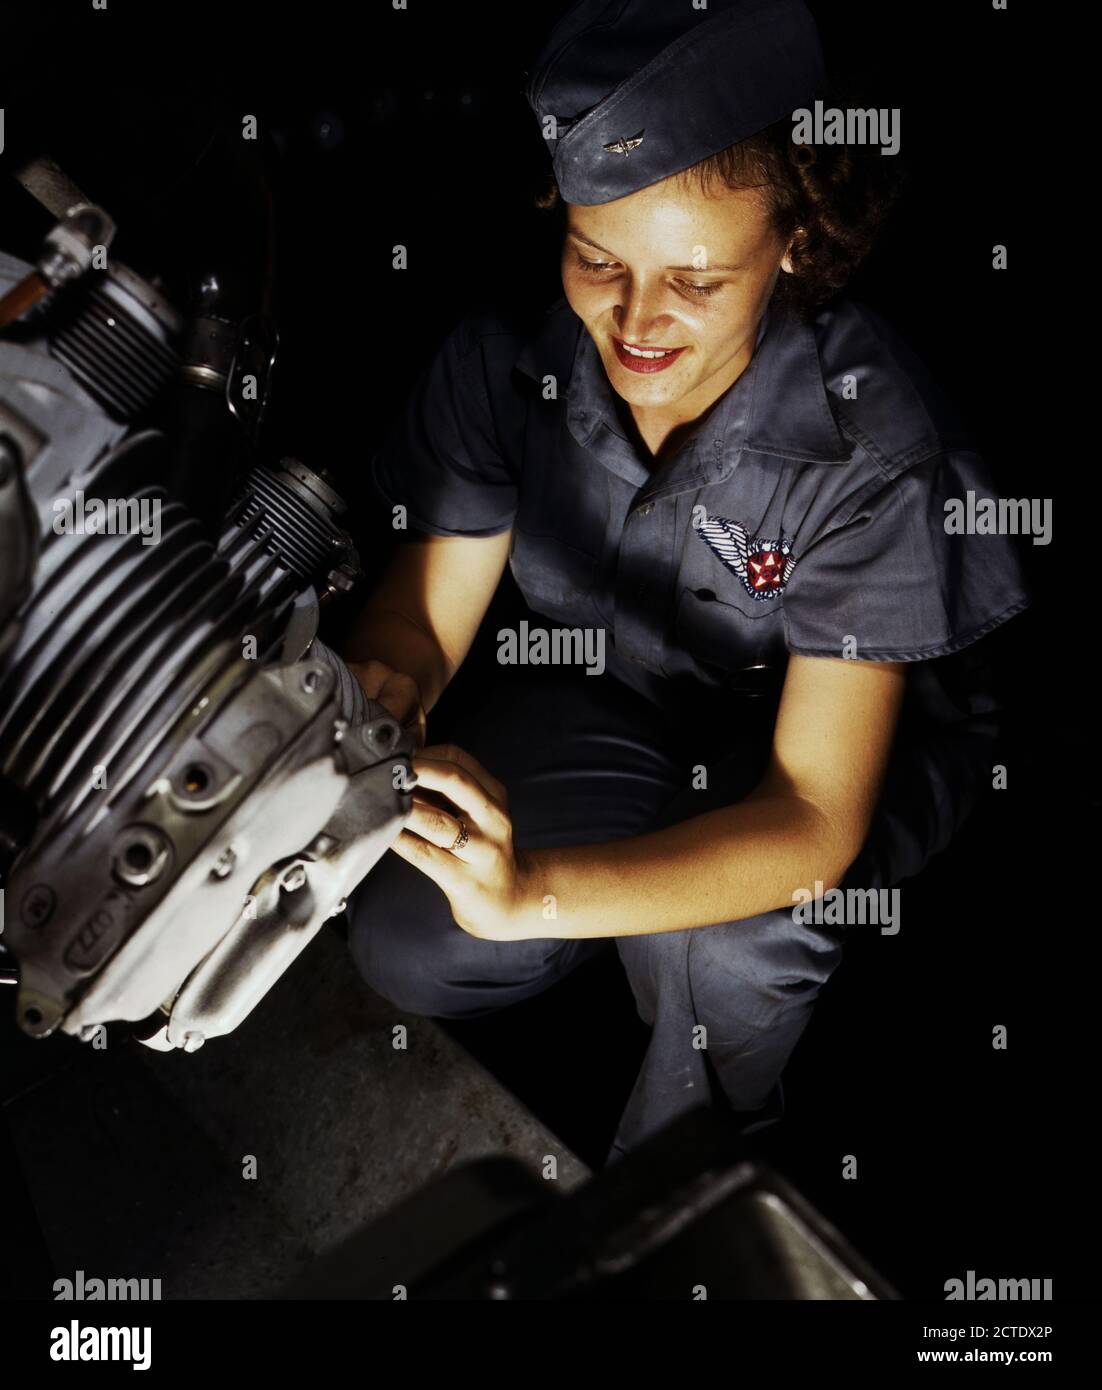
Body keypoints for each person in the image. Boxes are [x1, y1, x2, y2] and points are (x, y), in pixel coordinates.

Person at [342, 0, 1030, 1162]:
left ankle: (705, 1164)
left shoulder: (878, 454)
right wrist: (373, 702)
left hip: (814, 763)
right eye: (595, 259)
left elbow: (809, 818)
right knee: (407, 931)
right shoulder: (508, 355)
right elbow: (422, 621)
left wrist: (537, 892)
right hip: (617, 700)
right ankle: (586, 966)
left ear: (799, 243)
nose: (637, 320)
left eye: (698, 282)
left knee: (723, 950)